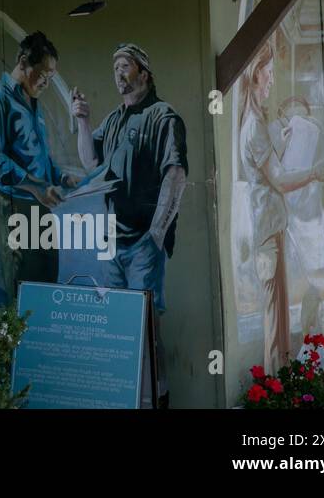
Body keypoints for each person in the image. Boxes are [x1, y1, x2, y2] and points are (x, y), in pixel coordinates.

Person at [72, 43, 185, 405]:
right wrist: (83, 120)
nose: (118, 73)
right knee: (119, 327)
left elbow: (176, 174)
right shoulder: (116, 118)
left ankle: (158, 399)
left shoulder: (162, 116)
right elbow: (91, 162)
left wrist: (157, 233)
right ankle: (128, 398)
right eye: (115, 67)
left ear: (144, 73)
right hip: (111, 240)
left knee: (147, 327)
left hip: (141, 244)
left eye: (125, 66)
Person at [237, 41, 323, 374]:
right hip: (267, 236)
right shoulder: (254, 127)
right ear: (255, 76)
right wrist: (314, 173)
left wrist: (283, 142)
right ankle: (275, 386)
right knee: (275, 322)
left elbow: (273, 172)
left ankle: (280, 383)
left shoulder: (257, 122)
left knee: (282, 315)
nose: (272, 80)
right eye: (269, 73)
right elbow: (281, 180)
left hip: (273, 230)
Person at [0, 32, 79, 289]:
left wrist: (60, 177)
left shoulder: (33, 103)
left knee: (48, 281)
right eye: (44, 75)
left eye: (51, 78)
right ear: (23, 62)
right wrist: (36, 186)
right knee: (23, 287)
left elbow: (39, 155)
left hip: (41, 204)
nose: (46, 83)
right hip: (16, 206)